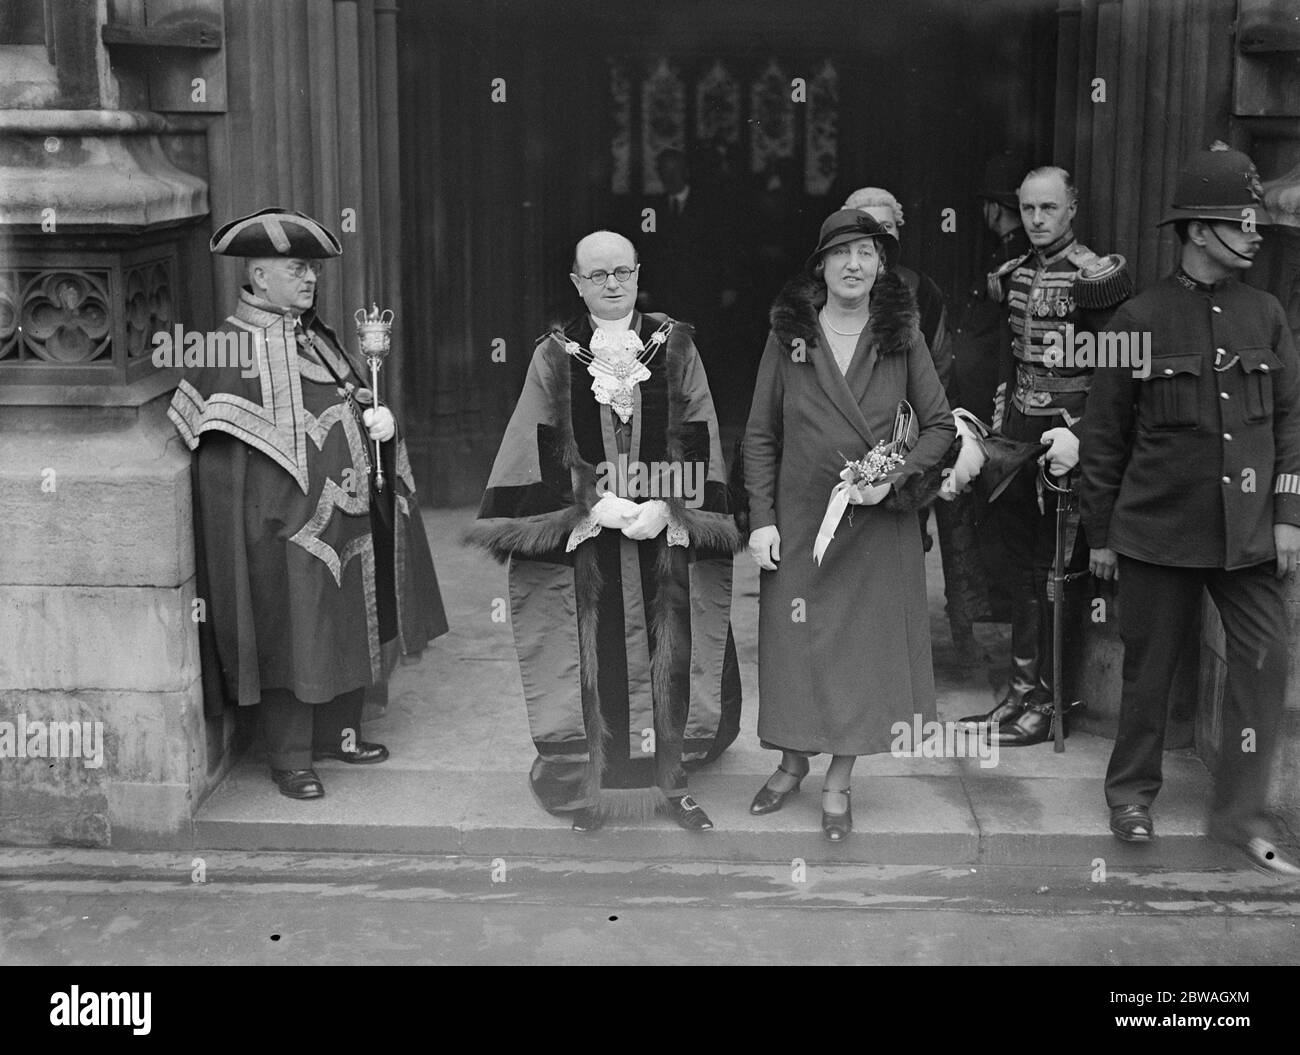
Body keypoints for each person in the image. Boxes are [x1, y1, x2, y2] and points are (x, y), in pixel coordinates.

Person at [168, 207, 448, 800]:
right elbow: (220, 465)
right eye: (296, 269)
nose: (310, 279)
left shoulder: (317, 337)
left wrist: (380, 423)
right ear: (258, 276)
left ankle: (339, 733)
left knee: (348, 616)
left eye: (313, 270)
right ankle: (289, 755)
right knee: (290, 629)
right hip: (281, 526)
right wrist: (265, 521)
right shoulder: (225, 348)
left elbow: (344, 403)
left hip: (347, 514)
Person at [467, 230, 741, 833]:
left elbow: (700, 427)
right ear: (576, 283)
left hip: (661, 539)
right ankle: (594, 789)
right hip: (588, 543)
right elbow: (533, 445)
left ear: (639, 272)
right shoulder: (555, 354)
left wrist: (671, 507)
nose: (612, 284)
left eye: (622, 271)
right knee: (592, 660)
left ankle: (672, 785)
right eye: (597, 275)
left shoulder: (674, 345)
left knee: (672, 651)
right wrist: (589, 505)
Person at [1080, 143, 1300, 876]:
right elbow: (1102, 438)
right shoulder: (1135, 318)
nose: (1257, 232)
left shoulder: (1265, 314)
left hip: (1248, 539)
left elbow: (1292, 425)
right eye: (1243, 221)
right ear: (1199, 230)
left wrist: (1289, 517)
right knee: (1149, 672)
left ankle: (1239, 813)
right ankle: (1132, 795)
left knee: (1265, 663)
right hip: (1157, 532)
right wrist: (1101, 534)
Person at [744, 210, 956, 841]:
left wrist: (894, 479)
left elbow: (940, 425)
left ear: (881, 266)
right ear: (821, 266)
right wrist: (761, 521)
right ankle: (790, 761)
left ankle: (838, 778)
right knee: (794, 645)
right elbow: (761, 433)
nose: (854, 265)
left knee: (861, 656)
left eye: (867, 253)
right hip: (804, 520)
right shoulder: (790, 337)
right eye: (841, 253)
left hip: (876, 527)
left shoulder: (901, 334)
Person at [959, 166, 1132, 746]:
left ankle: (1052, 704)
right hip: (1022, 438)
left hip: (1070, 442)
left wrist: (1082, 434)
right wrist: (999, 431)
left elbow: (1117, 370)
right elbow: (1011, 363)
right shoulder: (1014, 275)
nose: (1036, 219)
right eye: (1028, 208)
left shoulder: (1095, 278)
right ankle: (1019, 695)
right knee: (1024, 572)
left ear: (1071, 209)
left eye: (1048, 208)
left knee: (1058, 573)